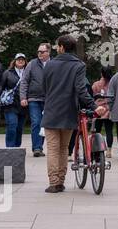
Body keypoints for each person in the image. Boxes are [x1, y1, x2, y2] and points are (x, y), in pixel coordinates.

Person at [38, 35, 94, 193]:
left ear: (61, 47)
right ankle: (61, 180)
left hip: (51, 110)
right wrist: (93, 105)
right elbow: (81, 90)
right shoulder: (79, 65)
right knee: (63, 148)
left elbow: (44, 87)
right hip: (69, 110)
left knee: (53, 148)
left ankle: (54, 182)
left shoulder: (49, 65)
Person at [20, 42, 51, 157]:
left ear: (48, 52)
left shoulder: (53, 64)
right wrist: (23, 97)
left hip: (48, 100)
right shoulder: (32, 64)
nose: (39, 53)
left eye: (42, 52)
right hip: (34, 99)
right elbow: (24, 81)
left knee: (45, 124)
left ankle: (40, 146)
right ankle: (36, 148)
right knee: (36, 122)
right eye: (38, 51)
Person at [0, 53, 28, 148]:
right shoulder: (7, 73)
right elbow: (1, 87)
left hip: (23, 105)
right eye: (18, 59)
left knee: (19, 128)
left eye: (22, 59)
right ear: (14, 61)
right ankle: (10, 148)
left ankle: (17, 147)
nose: (20, 61)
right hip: (10, 105)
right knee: (12, 126)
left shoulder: (28, 72)